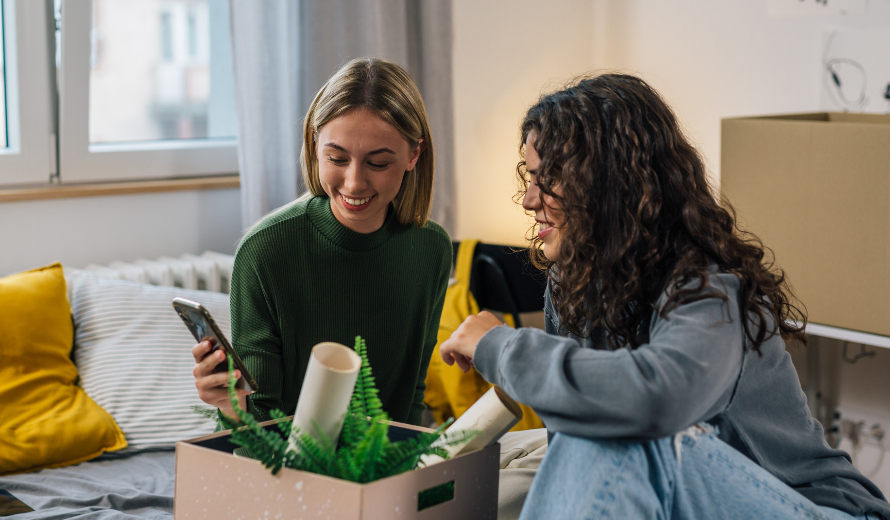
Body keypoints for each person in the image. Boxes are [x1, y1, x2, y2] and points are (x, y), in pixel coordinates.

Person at [440, 74, 890, 519]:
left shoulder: (709, 286)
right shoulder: (571, 282)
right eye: (531, 178)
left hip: (820, 509)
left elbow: (654, 403)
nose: (529, 200)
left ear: (608, 182)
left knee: (625, 430)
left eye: (549, 179)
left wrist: (501, 347)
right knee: (517, 454)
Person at [192, 57, 451, 427]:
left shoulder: (431, 250)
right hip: (283, 473)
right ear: (315, 146)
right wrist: (230, 405)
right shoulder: (265, 250)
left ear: (414, 155)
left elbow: (410, 397)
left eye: (377, 163)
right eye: (337, 158)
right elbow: (259, 424)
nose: (354, 183)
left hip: (384, 470)